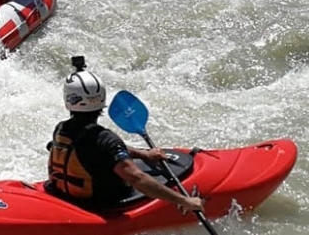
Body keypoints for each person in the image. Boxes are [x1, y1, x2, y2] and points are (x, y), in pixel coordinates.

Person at [44, 58, 205, 213]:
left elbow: (99, 150)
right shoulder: (104, 138)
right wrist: (184, 201)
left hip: (67, 196)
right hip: (101, 204)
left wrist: (143, 154)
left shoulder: (61, 128)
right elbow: (137, 178)